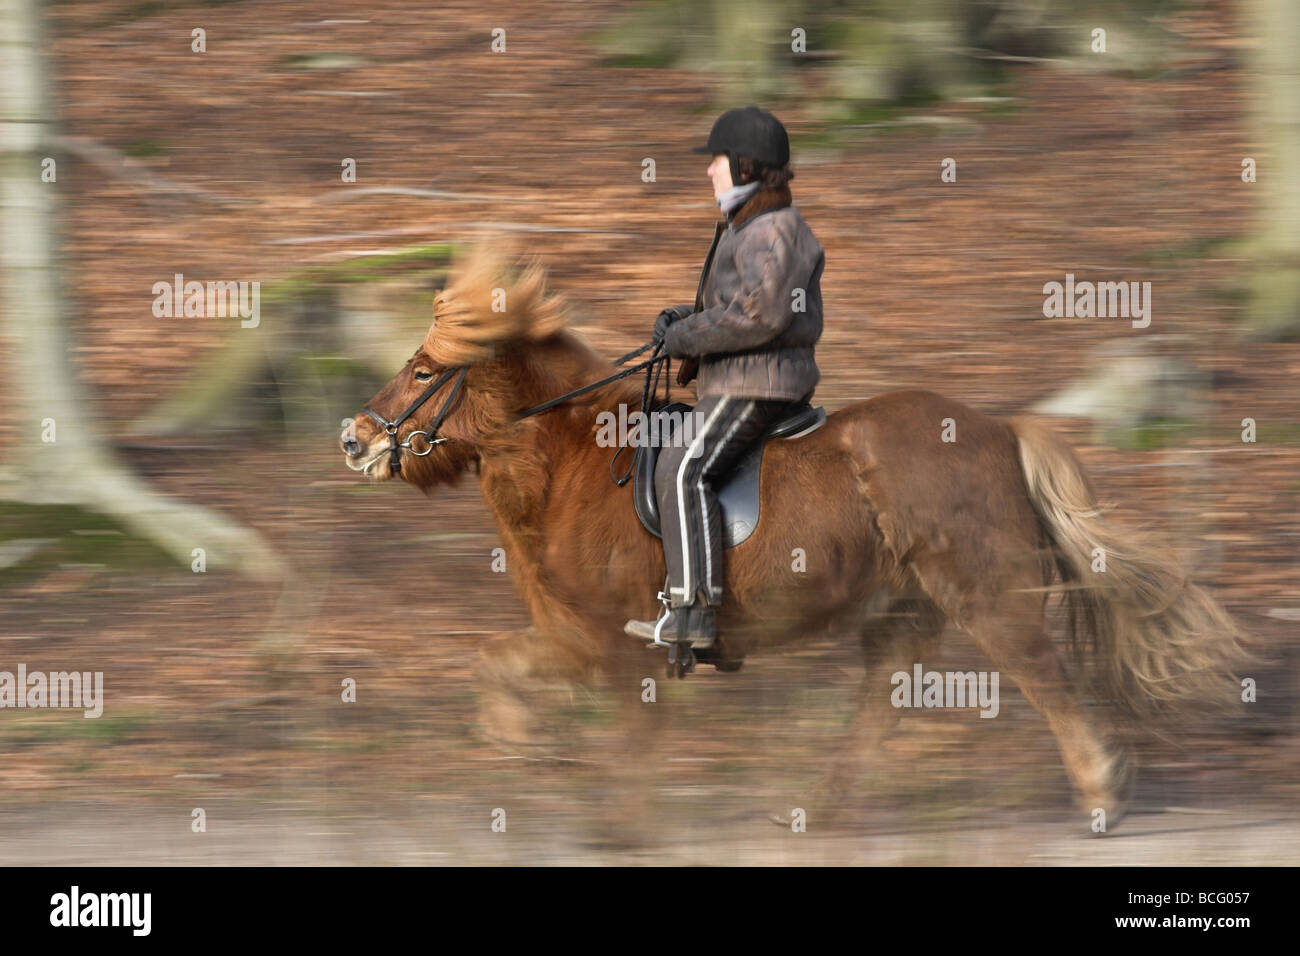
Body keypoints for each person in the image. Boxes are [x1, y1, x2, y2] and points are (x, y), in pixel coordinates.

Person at [624, 106, 825, 648]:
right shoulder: (749, 225)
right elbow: (734, 305)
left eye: (716, 162)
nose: (709, 172)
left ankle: (694, 613)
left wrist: (685, 338)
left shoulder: (774, 228)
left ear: (744, 166)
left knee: (681, 467)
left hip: (758, 384)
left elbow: (761, 315)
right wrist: (682, 321)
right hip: (744, 378)